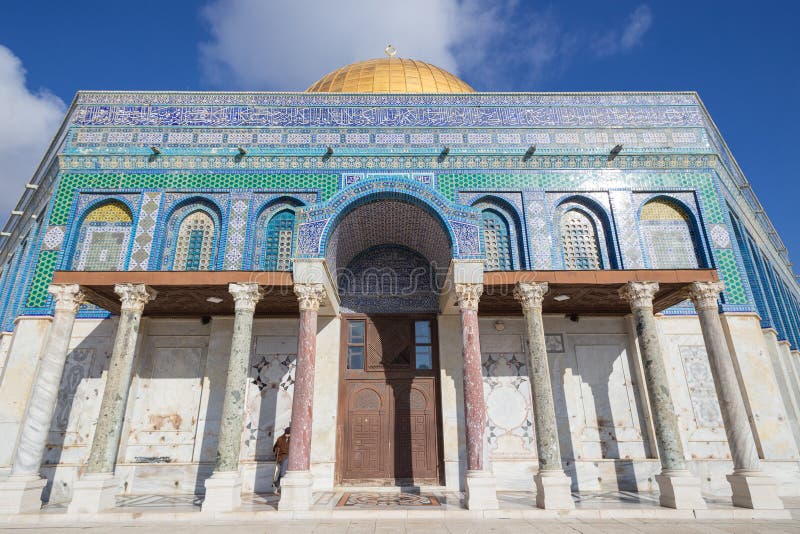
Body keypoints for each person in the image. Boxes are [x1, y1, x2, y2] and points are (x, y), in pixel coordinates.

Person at [272, 427, 290, 494]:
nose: (287, 435)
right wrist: (276, 449)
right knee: (284, 467)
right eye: (286, 433)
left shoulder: (292, 440)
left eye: (288, 434)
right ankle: (279, 483)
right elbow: (274, 448)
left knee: (284, 468)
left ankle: (277, 483)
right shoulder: (280, 439)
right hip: (281, 457)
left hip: (288, 457)